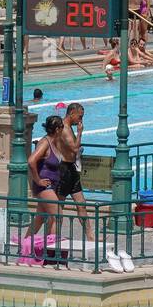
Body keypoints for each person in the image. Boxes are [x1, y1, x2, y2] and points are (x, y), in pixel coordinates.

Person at [55, 102, 92, 240]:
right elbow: (75, 148)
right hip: (63, 169)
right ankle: (55, 235)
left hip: (72, 169)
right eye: (80, 116)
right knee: (59, 206)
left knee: (82, 204)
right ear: (71, 113)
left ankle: (90, 236)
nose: (81, 120)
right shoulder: (64, 128)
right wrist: (80, 133)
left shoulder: (69, 127)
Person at [25, 115, 64, 242]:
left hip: (51, 186)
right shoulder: (45, 143)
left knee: (40, 218)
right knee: (57, 215)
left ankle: (25, 245)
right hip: (44, 186)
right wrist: (37, 180)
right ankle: (51, 251)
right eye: (62, 127)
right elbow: (31, 161)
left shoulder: (54, 142)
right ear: (57, 129)